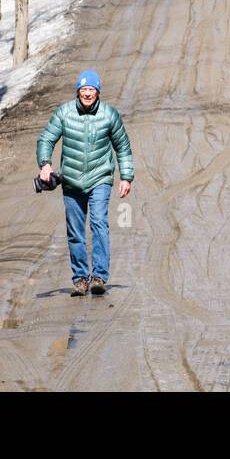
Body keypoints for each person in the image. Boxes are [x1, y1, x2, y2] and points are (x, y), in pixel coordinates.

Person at [36, 70, 134, 296]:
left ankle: (99, 276)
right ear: (78, 92)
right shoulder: (64, 113)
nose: (87, 94)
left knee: (99, 224)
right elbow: (47, 138)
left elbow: (123, 147)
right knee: (75, 232)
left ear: (98, 92)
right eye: (84, 90)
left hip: (100, 178)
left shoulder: (110, 115)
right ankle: (80, 278)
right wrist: (45, 164)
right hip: (71, 181)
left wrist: (126, 177)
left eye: (91, 90)